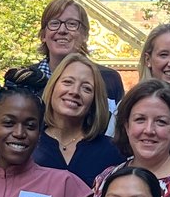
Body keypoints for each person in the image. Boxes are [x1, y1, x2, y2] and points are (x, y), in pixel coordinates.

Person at [35, 50, 123, 183]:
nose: (74, 92)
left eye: (86, 88)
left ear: (94, 100)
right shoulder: (30, 144)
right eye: (68, 82)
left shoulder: (112, 152)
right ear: (52, 87)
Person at [21, 0, 125, 103]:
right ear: (43, 35)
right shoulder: (23, 80)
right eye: (54, 23)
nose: (62, 30)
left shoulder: (108, 80)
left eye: (71, 24)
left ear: (85, 35)